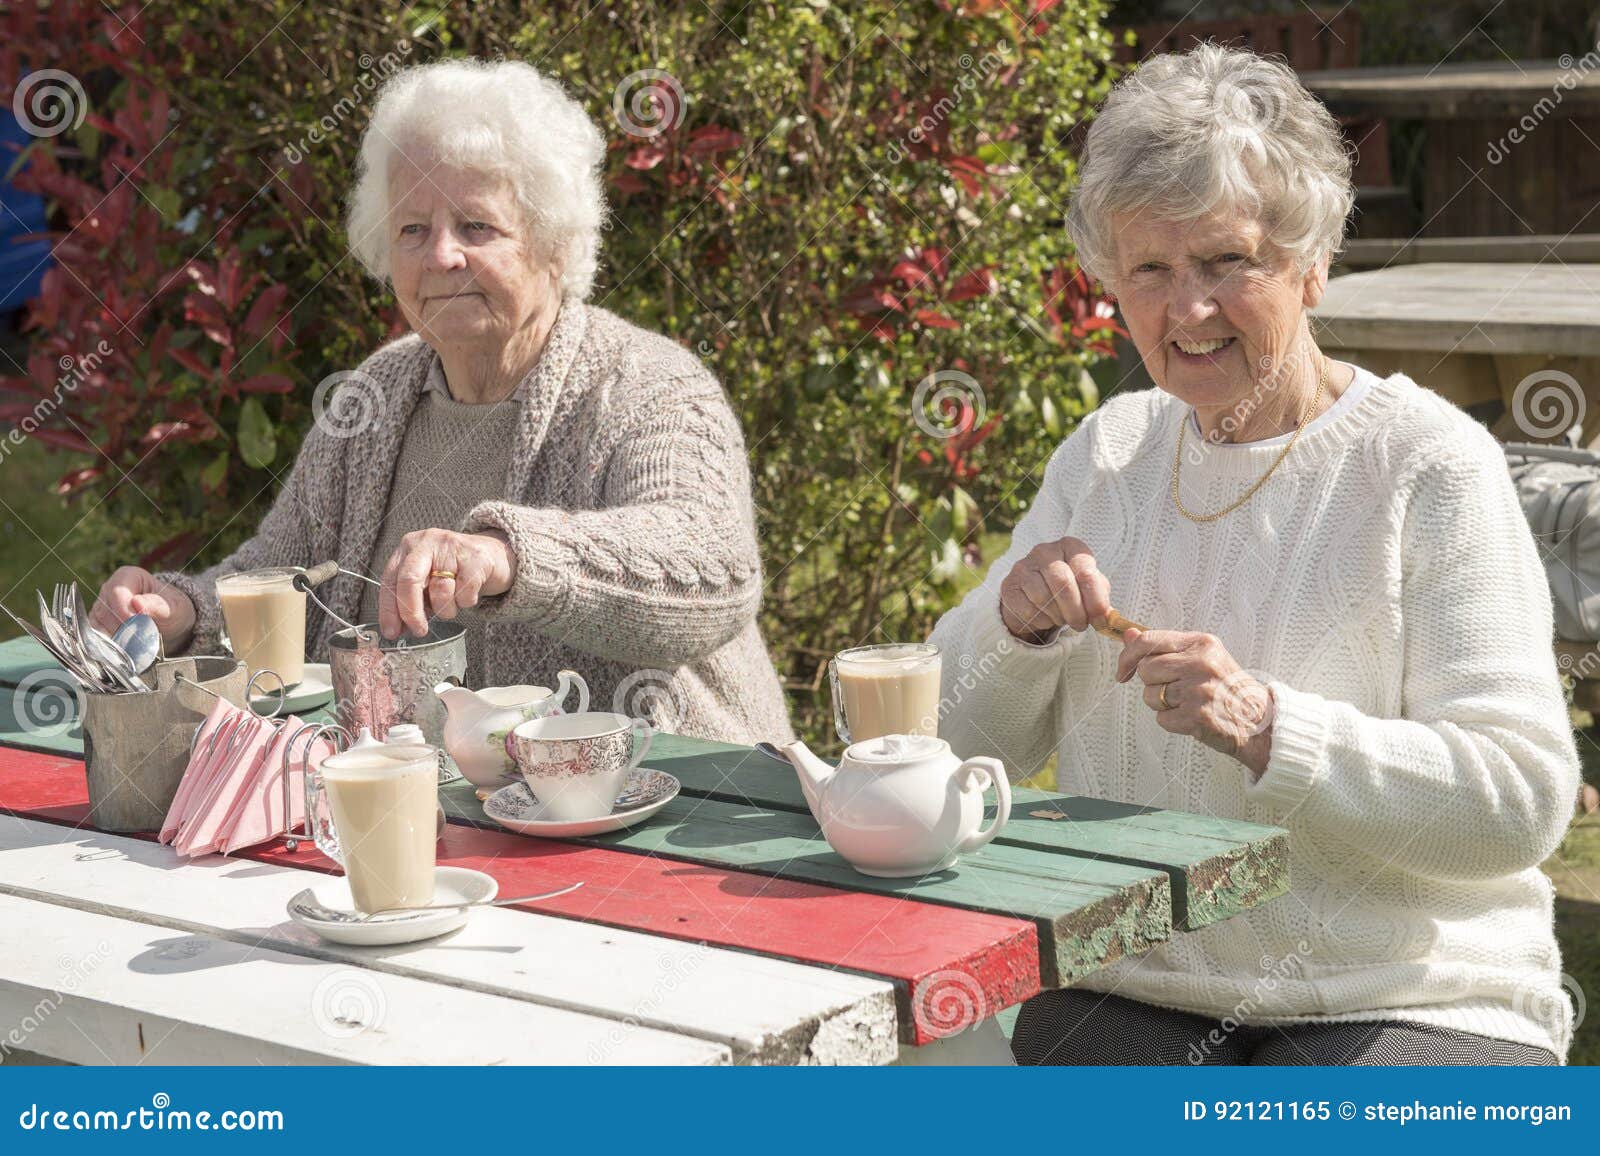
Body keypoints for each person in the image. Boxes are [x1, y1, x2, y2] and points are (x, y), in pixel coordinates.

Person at [929, 44, 1579, 1065]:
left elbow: (1520, 800)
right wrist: (1014, 630)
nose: (1187, 310)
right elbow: (950, 755)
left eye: (1227, 262)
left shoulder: (1428, 464)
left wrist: (1273, 728)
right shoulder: (1106, 455)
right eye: (1150, 269)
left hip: (1408, 988)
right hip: (1134, 974)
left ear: (1313, 264)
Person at [92, 58, 793, 744]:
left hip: (667, 797)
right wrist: (186, 611)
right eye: (413, 229)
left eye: (476, 226)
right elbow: (283, 576)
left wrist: (509, 558)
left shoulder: (648, 385)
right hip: (425, 797)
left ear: (553, 243)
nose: (441, 256)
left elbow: (714, 571)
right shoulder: (374, 397)